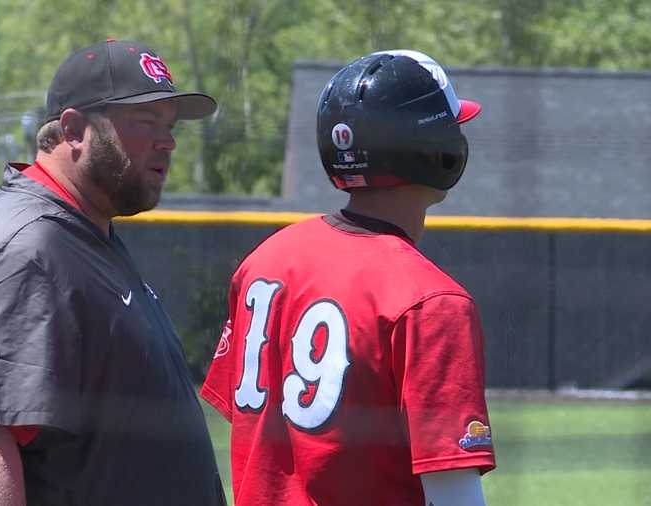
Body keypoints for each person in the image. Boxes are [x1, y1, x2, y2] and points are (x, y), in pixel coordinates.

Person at [0, 39, 226, 505]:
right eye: (146, 122)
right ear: (74, 129)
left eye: (170, 125)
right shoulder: (26, 251)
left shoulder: (85, 232)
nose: (168, 141)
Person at [201, 50, 496, 506]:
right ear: (435, 151)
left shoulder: (264, 261)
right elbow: (452, 489)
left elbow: (244, 419)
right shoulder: (431, 299)